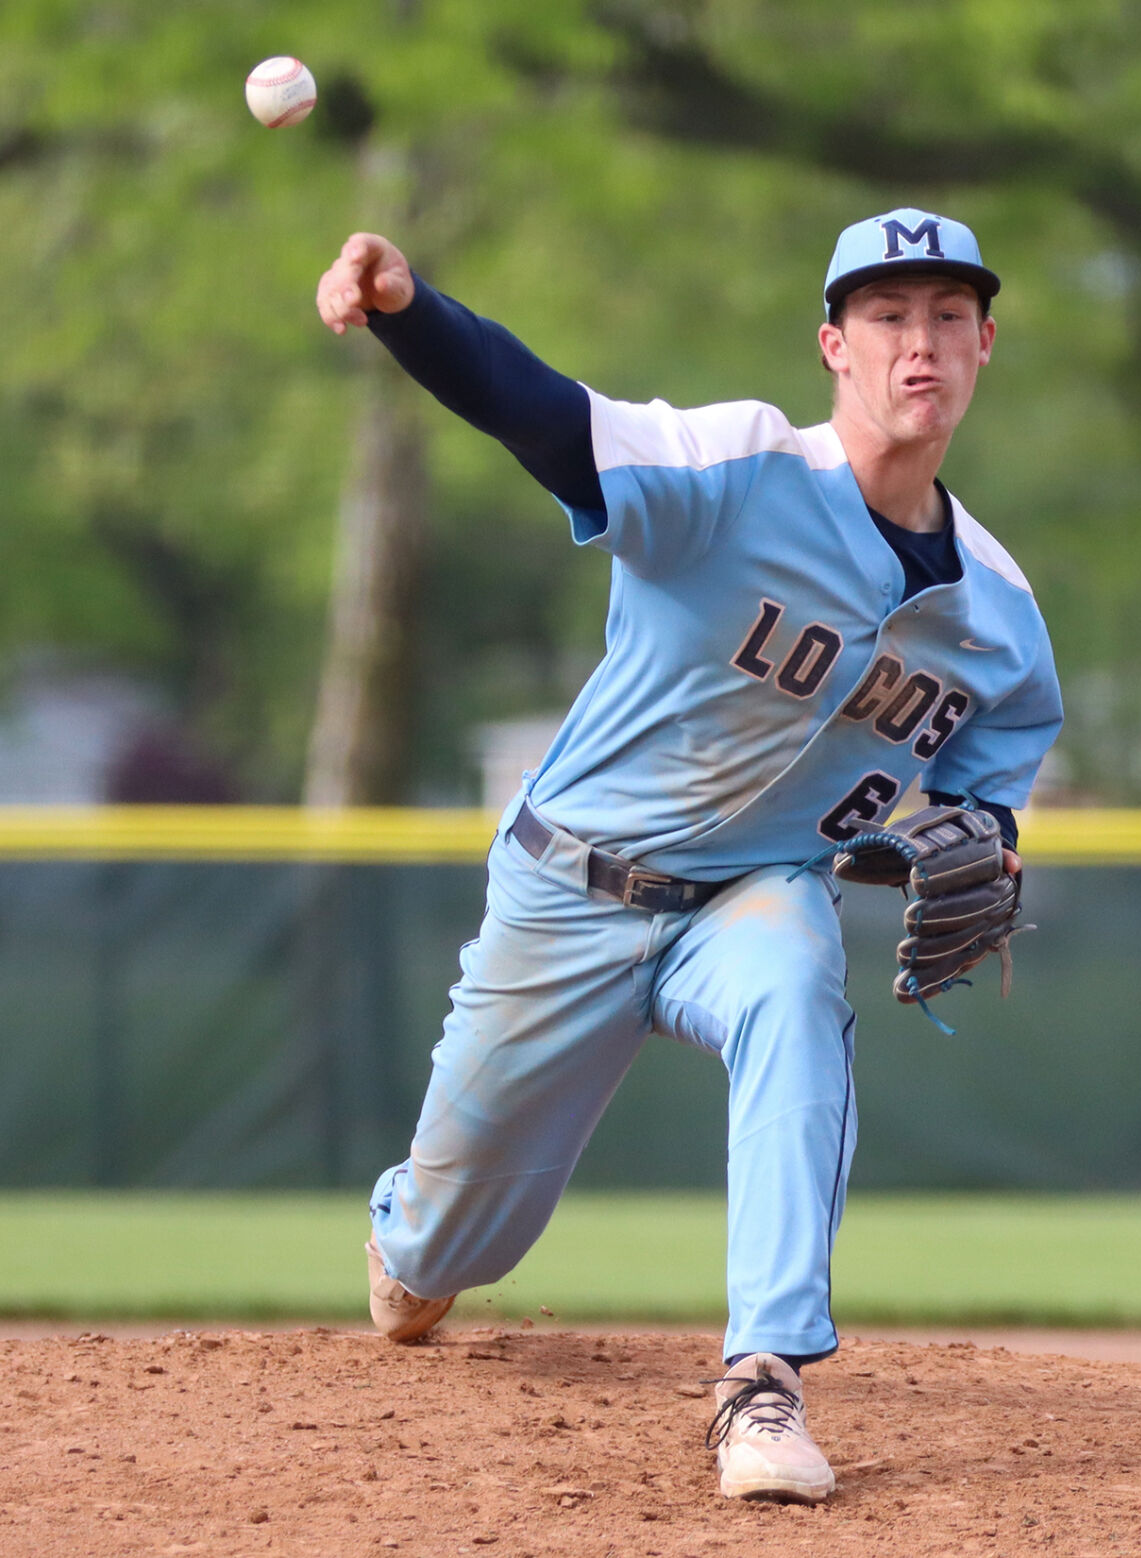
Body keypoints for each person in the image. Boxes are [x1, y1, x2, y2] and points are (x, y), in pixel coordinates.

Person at [315, 207, 1062, 1504]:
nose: (920, 342)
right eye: (887, 314)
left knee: (797, 987)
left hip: (755, 898)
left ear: (985, 345)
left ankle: (762, 1377)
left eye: (950, 315)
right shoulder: (737, 471)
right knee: (442, 1256)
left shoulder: (999, 617)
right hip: (572, 886)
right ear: (834, 345)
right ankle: (414, 1234)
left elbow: (988, 791)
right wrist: (408, 312)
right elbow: (544, 414)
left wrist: (983, 844)